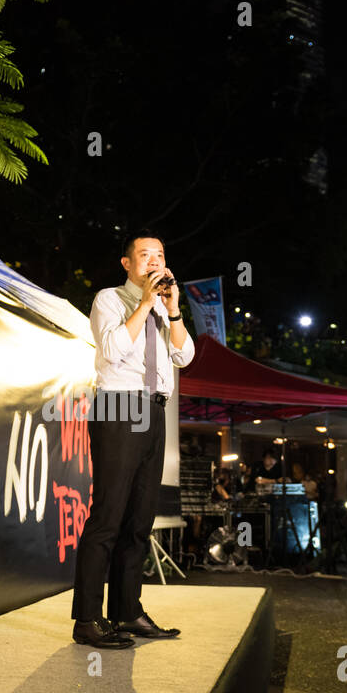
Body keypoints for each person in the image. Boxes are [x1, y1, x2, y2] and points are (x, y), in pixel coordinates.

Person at [70, 231, 195, 649]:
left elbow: (185, 356)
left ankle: (127, 612)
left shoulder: (163, 309)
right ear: (128, 264)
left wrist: (172, 309)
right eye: (145, 255)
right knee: (108, 515)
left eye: (160, 254)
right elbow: (112, 349)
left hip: (154, 410)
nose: (154, 262)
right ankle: (87, 620)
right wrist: (144, 302)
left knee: (140, 520)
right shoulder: (111, 299)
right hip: (120, 406)